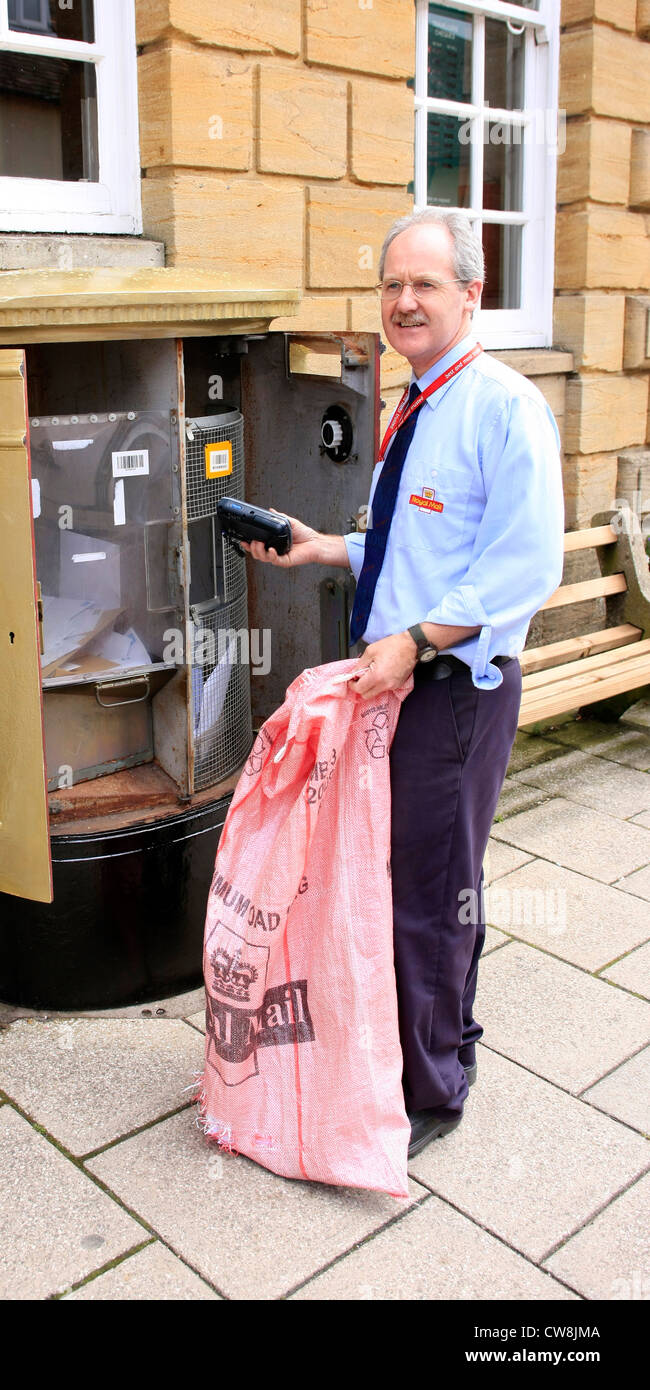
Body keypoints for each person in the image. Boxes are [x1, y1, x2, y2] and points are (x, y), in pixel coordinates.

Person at [244, 208, 564, 1158]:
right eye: (392, 285)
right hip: (402, 680)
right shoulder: (419, 399)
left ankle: (434, 1089)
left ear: (472, 294)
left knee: (431, 889)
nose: (405, 300)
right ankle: (431, 1039)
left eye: (426, 283)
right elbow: (419, 544)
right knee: (402, 877)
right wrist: (323, 548)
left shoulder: (505, 408)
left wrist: (417, 641)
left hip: (454, 690)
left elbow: (520, 567)